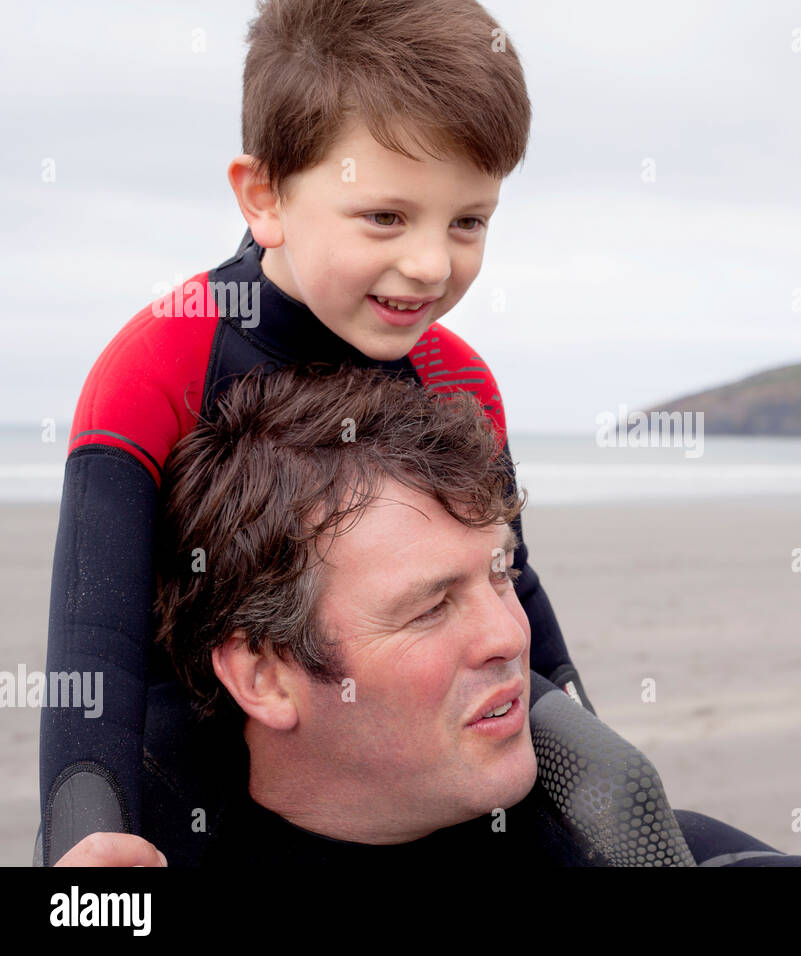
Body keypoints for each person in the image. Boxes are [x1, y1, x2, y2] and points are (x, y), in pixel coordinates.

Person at [55, 356, 801, 867]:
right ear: (265, 672)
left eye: (500, 571)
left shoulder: (630, 850)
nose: (509, 633)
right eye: (429, 606)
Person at [37, 0, 595, 866]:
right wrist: (83, 836)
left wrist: (598, 767)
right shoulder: (162, 360)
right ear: (265, 196)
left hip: (419, 797)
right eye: (385, 217)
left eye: (468, 221)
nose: (431, 265)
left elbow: (511, 590)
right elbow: (92, 643)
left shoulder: (458, 377)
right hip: (198, 807)